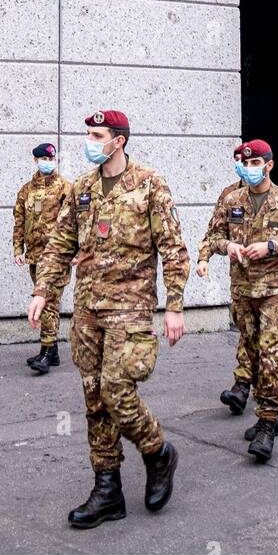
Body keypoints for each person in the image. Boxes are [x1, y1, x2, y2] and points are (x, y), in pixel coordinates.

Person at [29, 109, 189, 528]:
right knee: (94, 399)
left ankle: (157, 451)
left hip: (130, 306)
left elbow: (172, 247)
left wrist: (174, 305)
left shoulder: (150, 184)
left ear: (118, 140)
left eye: (97, 134)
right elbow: (60, 244)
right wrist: (43, 291)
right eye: (88, 133)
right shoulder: (81, 188)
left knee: (116, 390)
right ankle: (107, 490)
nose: (89, 140)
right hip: (87, 309)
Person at [197, 139, 278, 463]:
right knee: (253, 352)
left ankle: (266, 423)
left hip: (275, 290)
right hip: (243, 291)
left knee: (270, 352)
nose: (248, 168)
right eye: (245, 164)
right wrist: (227, 248)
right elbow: (214, 236)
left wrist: (272, 247)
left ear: (269, 165)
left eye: (254, 163)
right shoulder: (232, 199)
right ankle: (266, 413)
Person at [13, 142, 70, 374]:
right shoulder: (27, 190)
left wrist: (76, 252)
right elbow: (19, 220)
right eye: (43, 159)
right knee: (46, 303)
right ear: (35, 161)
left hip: (57, 257)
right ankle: (52, 350)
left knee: (49, 303)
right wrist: (18, 248)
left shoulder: (66, 188)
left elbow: (76, 223)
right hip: (35, 257)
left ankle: (47, 351)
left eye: (51, 159)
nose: (47, 162)